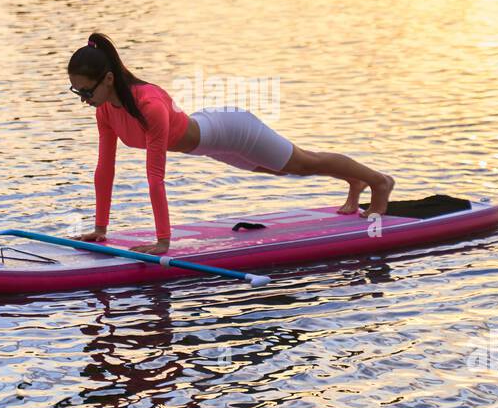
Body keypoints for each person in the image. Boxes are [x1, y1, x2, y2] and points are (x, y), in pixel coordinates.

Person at [68, 33, 394, 254]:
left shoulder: (149, 105)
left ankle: (379, 183)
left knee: (303, 162)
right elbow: (105, 169)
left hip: (233, 131)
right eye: (77, 92)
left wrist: (163, 242)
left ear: (108, 79)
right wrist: (100, 228)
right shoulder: (107, 111)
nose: (83, 100)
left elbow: (155, 177)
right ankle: (354, 182)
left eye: (86, 91)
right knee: (284, 171)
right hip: (214, 146)